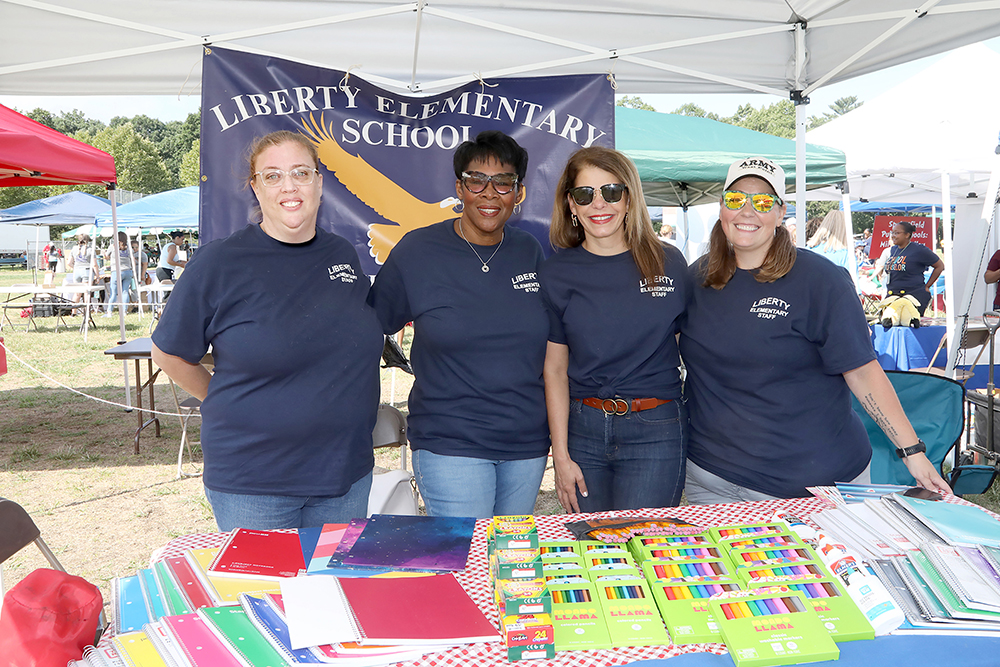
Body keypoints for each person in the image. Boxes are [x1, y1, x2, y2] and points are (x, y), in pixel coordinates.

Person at [680, 157, 950, 504]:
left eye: (763, 202)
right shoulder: (696, 278)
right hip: (710, 479)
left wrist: (912, 451)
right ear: (722, 208)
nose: (747, 211)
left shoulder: (821, 281)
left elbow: (863, 373)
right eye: (736, 200)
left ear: (780, 214)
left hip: (810, 486)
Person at [151, 130, 383, 530]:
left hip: (345, 475)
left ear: (319, 183)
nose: (289, 186)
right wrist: (220, 400)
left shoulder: (341, 253)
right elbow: (168, 352)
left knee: (331, 591)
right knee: (265, 594)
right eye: (273, 176)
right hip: (256, 483)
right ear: (255, 188)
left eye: (301, 173)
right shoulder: (219, 262)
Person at [367, 130, 549, 519]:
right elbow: (368, 328)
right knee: (466, 563)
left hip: (526, 444)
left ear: (519, 193)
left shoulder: (530, 251)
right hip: (450, 442)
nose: (489, 192)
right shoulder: (418, 251)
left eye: (503, 182)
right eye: (476, 180)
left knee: (510, 562)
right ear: (459, 188)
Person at [541, 146, 689, 513]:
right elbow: (555, 370)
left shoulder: (669, 262)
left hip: (657, 428)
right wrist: (560, 456)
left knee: (648, 551)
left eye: (610, 191)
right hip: (584, 430)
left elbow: (695, 346)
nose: (599, 204)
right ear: (570, 205)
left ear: (628, 198)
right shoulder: (556, 273)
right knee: (594, 557)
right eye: (584, 194)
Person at [875, 221, 944, 315]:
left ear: (907, 235)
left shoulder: (919, 249)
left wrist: (927, 286)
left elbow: (939, 266)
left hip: (913, 296)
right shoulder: (893, 250)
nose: (893, 236)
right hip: (892, 295)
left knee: (908, 323)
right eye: (892, 232)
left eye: (897, 233)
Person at [102, 232, 134, 316]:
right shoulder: (129, 248)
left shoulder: (112, 247)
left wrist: (104, 254)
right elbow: (132, 259)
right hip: (127, 270)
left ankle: (109, 311)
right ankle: (124, 311)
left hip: (116, 271)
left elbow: (107, 257)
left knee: (113, 292)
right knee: (125, 291)